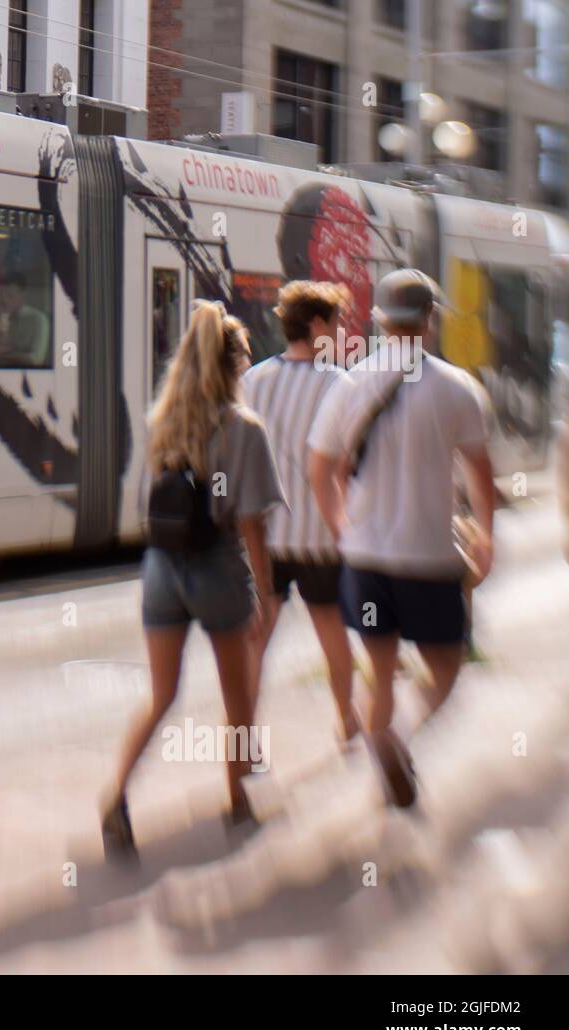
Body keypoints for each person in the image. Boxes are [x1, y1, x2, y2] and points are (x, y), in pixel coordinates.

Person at [101, 301, 284, 860]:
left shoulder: (165, 421)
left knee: (161, 695)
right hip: (216, 568)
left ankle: (115, 796)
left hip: (160, 568)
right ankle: (236, 802)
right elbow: (251, 521)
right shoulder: (242, 429)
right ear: (232, 366)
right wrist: (268, 593)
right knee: (237, 697)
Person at [308, 268, 496, 807]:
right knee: (445, 669)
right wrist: (485, 537)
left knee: (382, 671)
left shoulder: (349, 384)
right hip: (430, 563)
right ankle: (400, 738)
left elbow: (318, 467)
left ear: (380, 321)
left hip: (366, 564)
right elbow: (481, 474)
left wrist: (339, 524)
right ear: (430, 321)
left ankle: (382, 752)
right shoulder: (459, 389)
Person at [242, 281, 359, 744]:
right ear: (317, 325)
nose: (342, 330)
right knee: (332, 630)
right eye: (337, 322)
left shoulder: (254, 380)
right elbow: (345, 466)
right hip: (319, 538)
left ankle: (244, 738)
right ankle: (347, 722)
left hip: (266, 538)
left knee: (257, 638)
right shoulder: (338, 385)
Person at [0, 271, 50, 367]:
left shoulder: (38, 320)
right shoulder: (1, 320)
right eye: (1, 296)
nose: (5, 300)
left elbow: (36, 359)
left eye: (10, 295)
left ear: (23, 295)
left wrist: (4, 356)